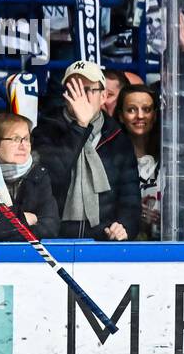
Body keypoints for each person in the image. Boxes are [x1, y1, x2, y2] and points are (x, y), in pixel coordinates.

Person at [32, 60, 140, 241]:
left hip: (103, 242)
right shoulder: (46, 129)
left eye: (88, 90)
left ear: (103, 96)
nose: (80, 97)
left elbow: (130, 197)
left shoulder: (117, 137)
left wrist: (124, 226)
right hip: (54, 239)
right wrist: (80, 127)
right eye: (73, 89)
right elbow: (50, 179)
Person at [0, 111, 59, 242]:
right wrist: (24, 219)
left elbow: (50, 228)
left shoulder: (39, 175)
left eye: (26, 139)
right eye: (15, 139)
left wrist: (9, 227)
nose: (23, 146)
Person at [114, 84, 161, 241]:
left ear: (154, 115)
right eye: (132, 110)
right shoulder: (109, 155)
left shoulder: (169, 155)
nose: (140, 116)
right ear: (120, 115)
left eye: (147, 109)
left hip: (164, 242)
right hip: (124, 243)